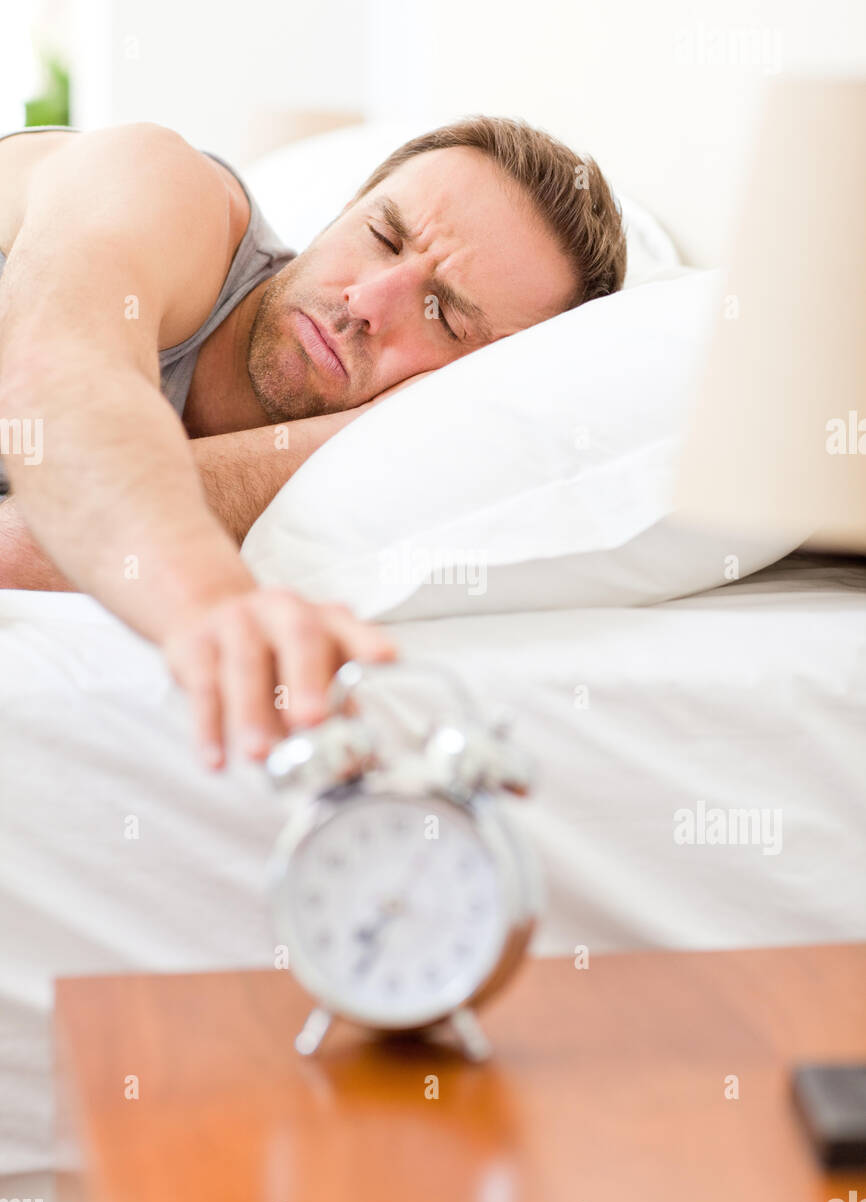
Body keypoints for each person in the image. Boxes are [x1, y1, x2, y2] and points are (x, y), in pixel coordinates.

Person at [0, 116, 626, 767]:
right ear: (343, 210)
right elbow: (59, 383)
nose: (366, 301)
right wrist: (209, 601)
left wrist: (348, 437)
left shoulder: (365, 464)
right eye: (383, 237)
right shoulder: (160, 184)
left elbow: (15, 546)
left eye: (443, 314)